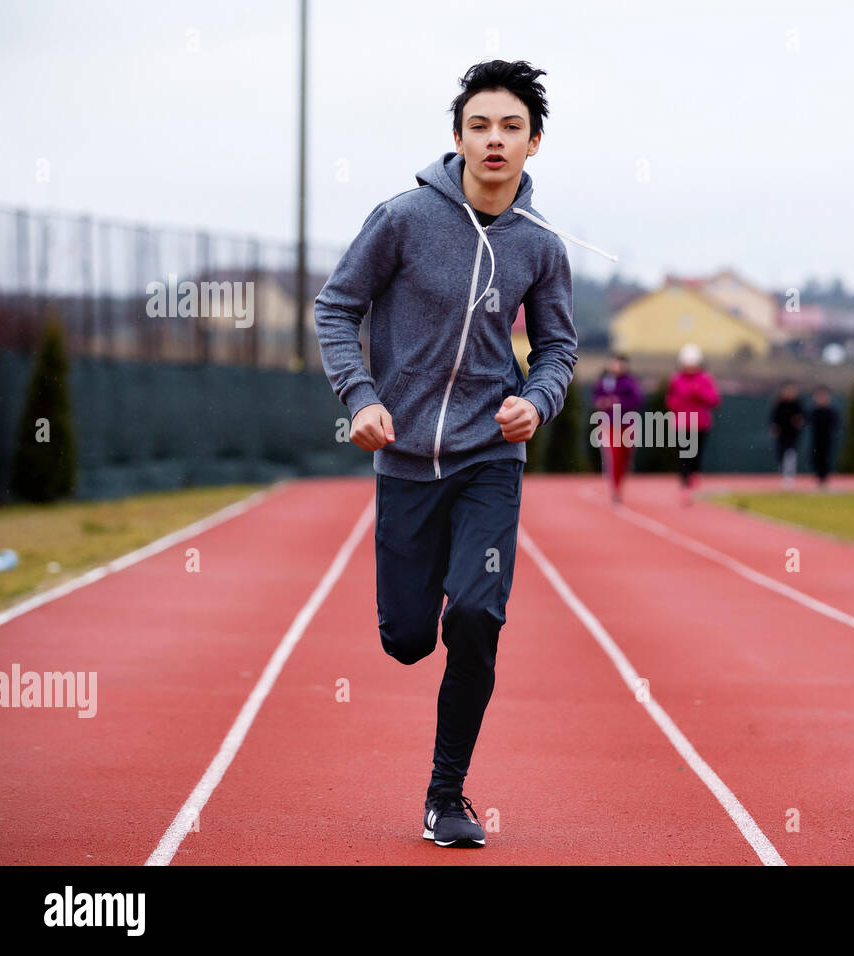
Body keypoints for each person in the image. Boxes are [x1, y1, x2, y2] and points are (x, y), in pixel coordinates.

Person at [313, 59, 615, 848]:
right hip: (406, 457)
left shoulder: (542, 246)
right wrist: (362, 397)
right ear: (457, 137)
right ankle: (412, 619)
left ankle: (447, 795)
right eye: (479, 124)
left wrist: (537, 401)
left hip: (489, 458)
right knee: (408, 638)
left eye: (511, 127)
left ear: (533, 144)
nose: (494, 139)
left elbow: (557, 347)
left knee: (477, 617)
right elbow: (336, 307)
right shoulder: (404, 219)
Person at [664, 343, 720, 506]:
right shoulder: (676, 379)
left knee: (696, 455)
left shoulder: (705, 379)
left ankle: (693, 476)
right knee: (684, 455)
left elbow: (714, 400)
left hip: (700, 423)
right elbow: (670, 398)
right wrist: (676, 404)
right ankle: (685, 486)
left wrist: (699, 394)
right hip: (682, 423)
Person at [591, 353, 643, 503]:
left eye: (620, 363)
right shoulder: (604, 381)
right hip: (609, 424)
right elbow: (596, 399)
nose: (617, 366)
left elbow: (637, 400)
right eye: (614, 363)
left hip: (627, 424)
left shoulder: (630, 382)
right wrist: (602, 403)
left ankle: (619, 484)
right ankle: (615, 487)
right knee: (613, 455)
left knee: (625, 457)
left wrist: (617, 401)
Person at [768, 382, 806, 488]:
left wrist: (799, 421)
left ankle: (789, 476)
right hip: (782, 435)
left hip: (793, 435)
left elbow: (802, 418)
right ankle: (784, 473)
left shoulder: (797, 404)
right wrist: (774, 426)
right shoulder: (779, 404)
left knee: (790, 455)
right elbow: (773, 418)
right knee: (781, 455)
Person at [808, 385, 840, 488]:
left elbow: (836, 424)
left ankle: (824, 479)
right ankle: (818, 478)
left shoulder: (831, 412)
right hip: (816, 440)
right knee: (816, 459)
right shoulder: (814, 411)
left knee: (826, 459)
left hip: (827, 440)